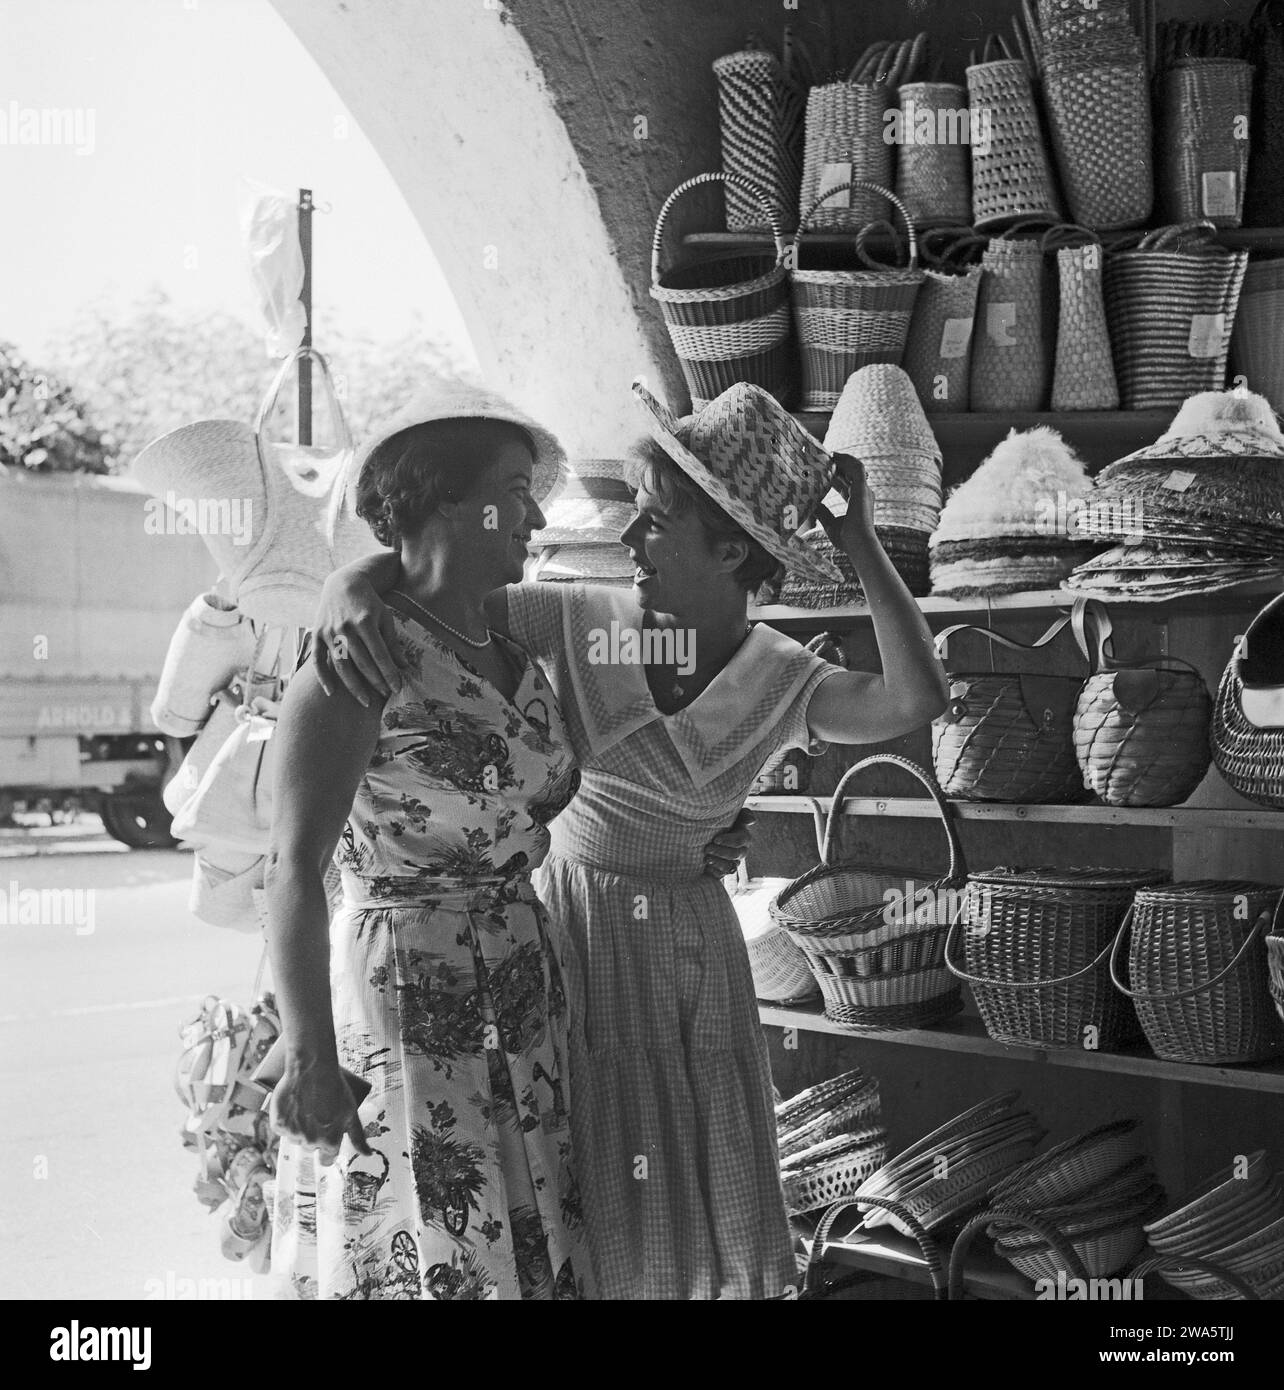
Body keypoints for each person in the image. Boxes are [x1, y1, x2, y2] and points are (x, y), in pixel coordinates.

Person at [313, 379, 950, 1299]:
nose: (628, 540)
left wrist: (857, 541)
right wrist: (348, 582)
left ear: (731, 549)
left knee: (696, 1161)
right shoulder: (574, 622)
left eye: (655, 522)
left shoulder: (780, 677)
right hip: (569, 936)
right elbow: (436, 581)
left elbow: (913, 698)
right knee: (585, 1170)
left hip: (689, 946)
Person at [264, 383, 591, 1300]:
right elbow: (291, 872)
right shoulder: (357, 661)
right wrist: (311, 1058)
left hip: (523, 981)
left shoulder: (521, 648)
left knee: (521, 1235)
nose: (534, 513)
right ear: (444, 495)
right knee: (428, 1234)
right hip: (410, 989)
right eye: (515, 489)